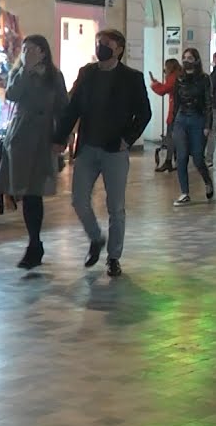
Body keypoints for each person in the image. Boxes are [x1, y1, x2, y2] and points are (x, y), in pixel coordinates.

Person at [53, 29, 152, 277]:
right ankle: (96, 238)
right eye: (99, 43)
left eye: (106, 44)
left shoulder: (132, 77)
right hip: (88, 147)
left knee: (115, 206)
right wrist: (60, 137)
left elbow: (144, 113)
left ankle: (114, 256)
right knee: (78, 199)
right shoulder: (87, 73)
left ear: (119, 48)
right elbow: (72, 108)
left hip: (114, 150)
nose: (101, 47)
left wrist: (126, 140)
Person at [0, 34, 68, 270]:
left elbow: (62, 108)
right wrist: (25, 70)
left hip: (44, 139)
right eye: (25, 49)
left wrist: (62, 137)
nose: (27, 52)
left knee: (35, 192)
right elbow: (13, 95)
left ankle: (35, 244)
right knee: (26, 192)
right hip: (21, 139)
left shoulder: (54, 76)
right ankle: (34, 243)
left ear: (44, 52)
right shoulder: (18, 73)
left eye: (33, 48)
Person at [170, 47, 214, 207]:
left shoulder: (204, 79)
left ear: (196, 60)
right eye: (184, 57)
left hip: (198, 119)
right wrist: (172, 122)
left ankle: (208, 181)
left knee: (197, 158)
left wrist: (208, 125)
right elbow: (175, 101)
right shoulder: (179, 79)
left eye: (190, 57)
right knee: (181, 157)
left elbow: (209, 102)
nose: (186, 60)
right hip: (181, 120)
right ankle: (184, 193)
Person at [148, 58, 181, 173]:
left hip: (175, 112)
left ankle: (168, 161)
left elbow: (163, 90)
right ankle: (177, 161)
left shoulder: (173, 77)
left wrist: (154, 84)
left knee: (170, 138)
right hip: (181, 112)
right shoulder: (180, 76)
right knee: (177, 138)